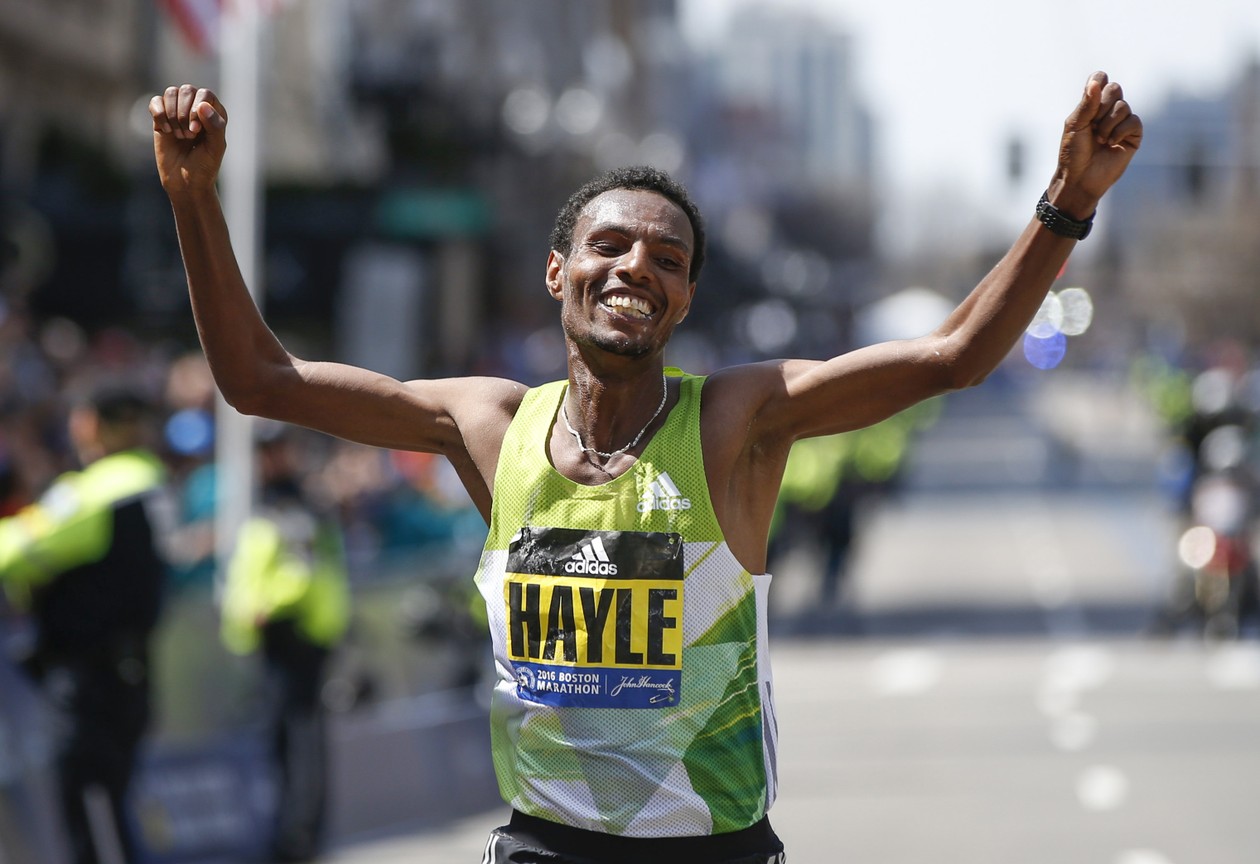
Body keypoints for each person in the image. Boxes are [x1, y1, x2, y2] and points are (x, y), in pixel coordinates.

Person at [149, 71, 1141, 863]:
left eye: (667, 260)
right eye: (609, 245)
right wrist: (193, 198)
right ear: (557, 272)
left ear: (686, 299)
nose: (636, 267)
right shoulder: (488, 425)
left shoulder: (735, 423)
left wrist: (1066, 201)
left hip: (711, 851)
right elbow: (259, 380)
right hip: (543, 847)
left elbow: (951, 358)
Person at [0, 386, 169, 864]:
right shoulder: (149, 480)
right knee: (112, 804)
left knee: (90, 807)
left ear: (91, 424)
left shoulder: (100, 489)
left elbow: (19, 551)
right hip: (128, 669)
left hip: (88, 678)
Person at [220, 424, 350, 862]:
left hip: (295, 635)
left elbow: (301, 574)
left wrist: (262, 607)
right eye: (263, 450)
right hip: (279, 639)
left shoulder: (295, 505)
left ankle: (298, 839)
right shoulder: (274, 501)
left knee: (299, 744)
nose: (268, 458)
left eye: (275, 449)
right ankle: (290, 833)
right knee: (284, 743)